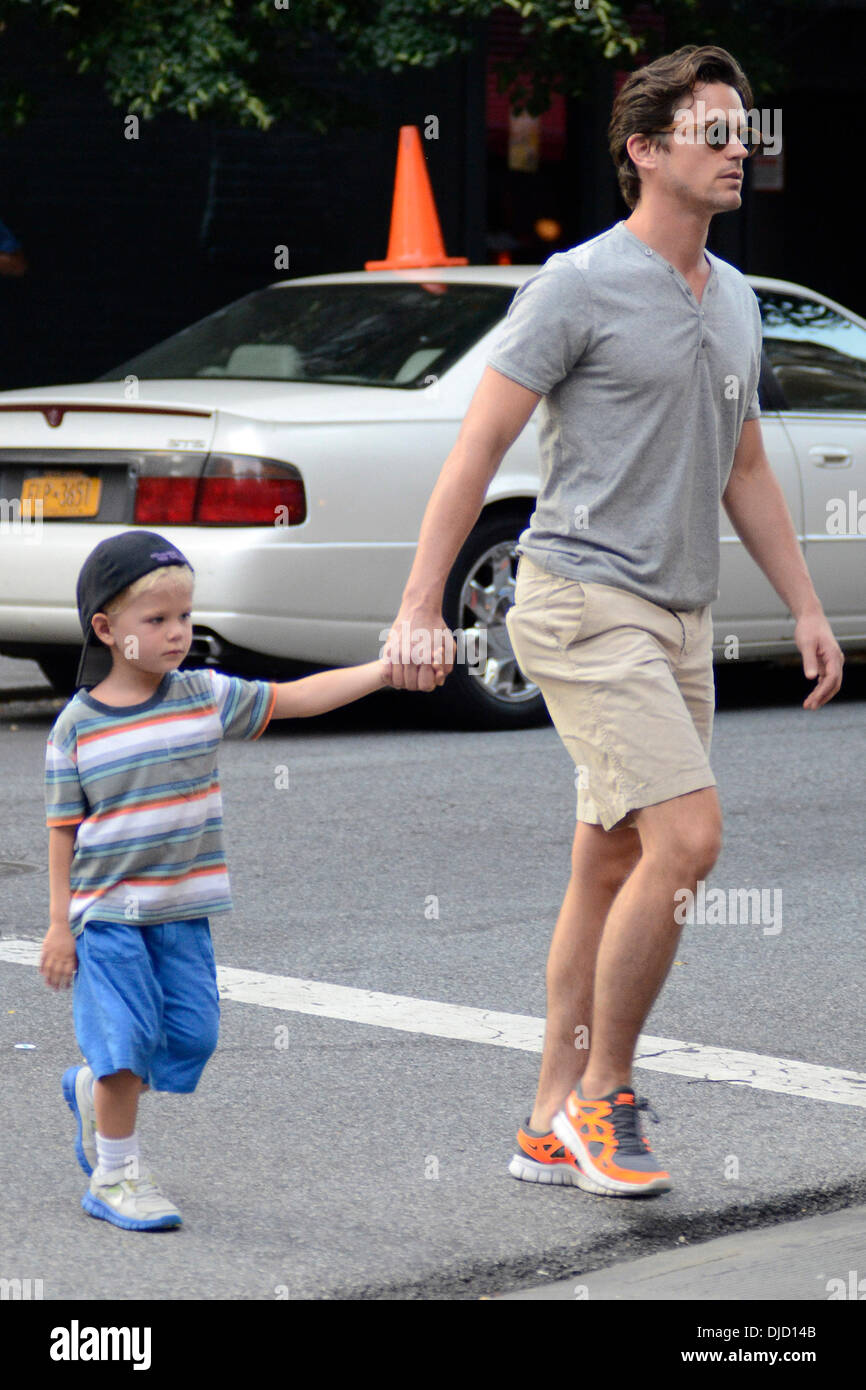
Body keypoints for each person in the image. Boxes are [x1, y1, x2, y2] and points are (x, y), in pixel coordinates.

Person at [383, 45, 843, 1197]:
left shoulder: (732, 299)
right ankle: (603, 1096)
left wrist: (803, 606)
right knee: (686, 841)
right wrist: (415, 605)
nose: (738, 149)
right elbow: (478, 445)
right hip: (580, 603)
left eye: (744, 131)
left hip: (677, 619)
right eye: (711, 132)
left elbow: (741, 463)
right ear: (643, 151)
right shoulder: (575, 284)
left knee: (610, 863)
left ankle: (545, 1116)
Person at [39, 529, 435, 1231]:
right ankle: (115, 1174)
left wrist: (380, 672)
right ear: (106, 629)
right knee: (126, 1043)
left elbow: (295, 699)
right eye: (156, 620)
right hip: (106, 919)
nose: (176, 633)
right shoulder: (76, 727)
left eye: (185, 617)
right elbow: (62, 830)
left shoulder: (202, 696)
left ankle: (95, 1087)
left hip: (181, 915)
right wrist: (57, 926)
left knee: (191, 1038)